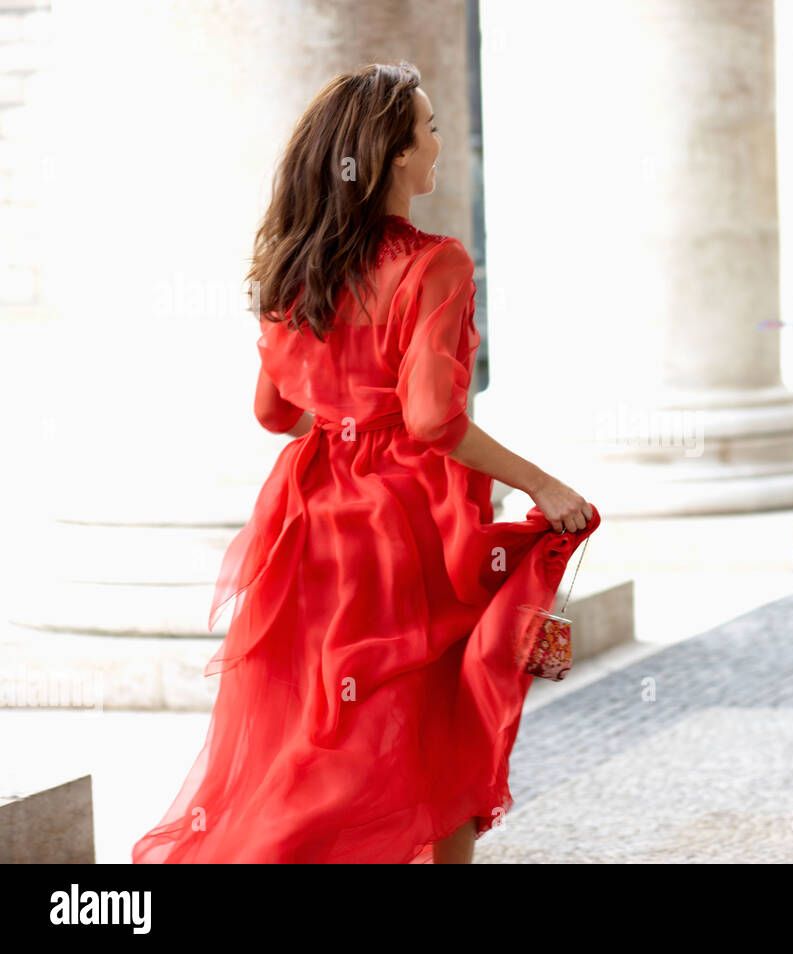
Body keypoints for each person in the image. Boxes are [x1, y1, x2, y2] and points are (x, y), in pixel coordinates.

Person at [132, 62, 595, 864]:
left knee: (320, 722)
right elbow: (430, 419)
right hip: (404, 520)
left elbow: (274, 413)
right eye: (430, 128)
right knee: (432, 712)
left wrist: (347, 417)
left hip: (306, 519)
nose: (440, 142)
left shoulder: (295, 262)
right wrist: (544, 484)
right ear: (393, 156)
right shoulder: (436, 264)